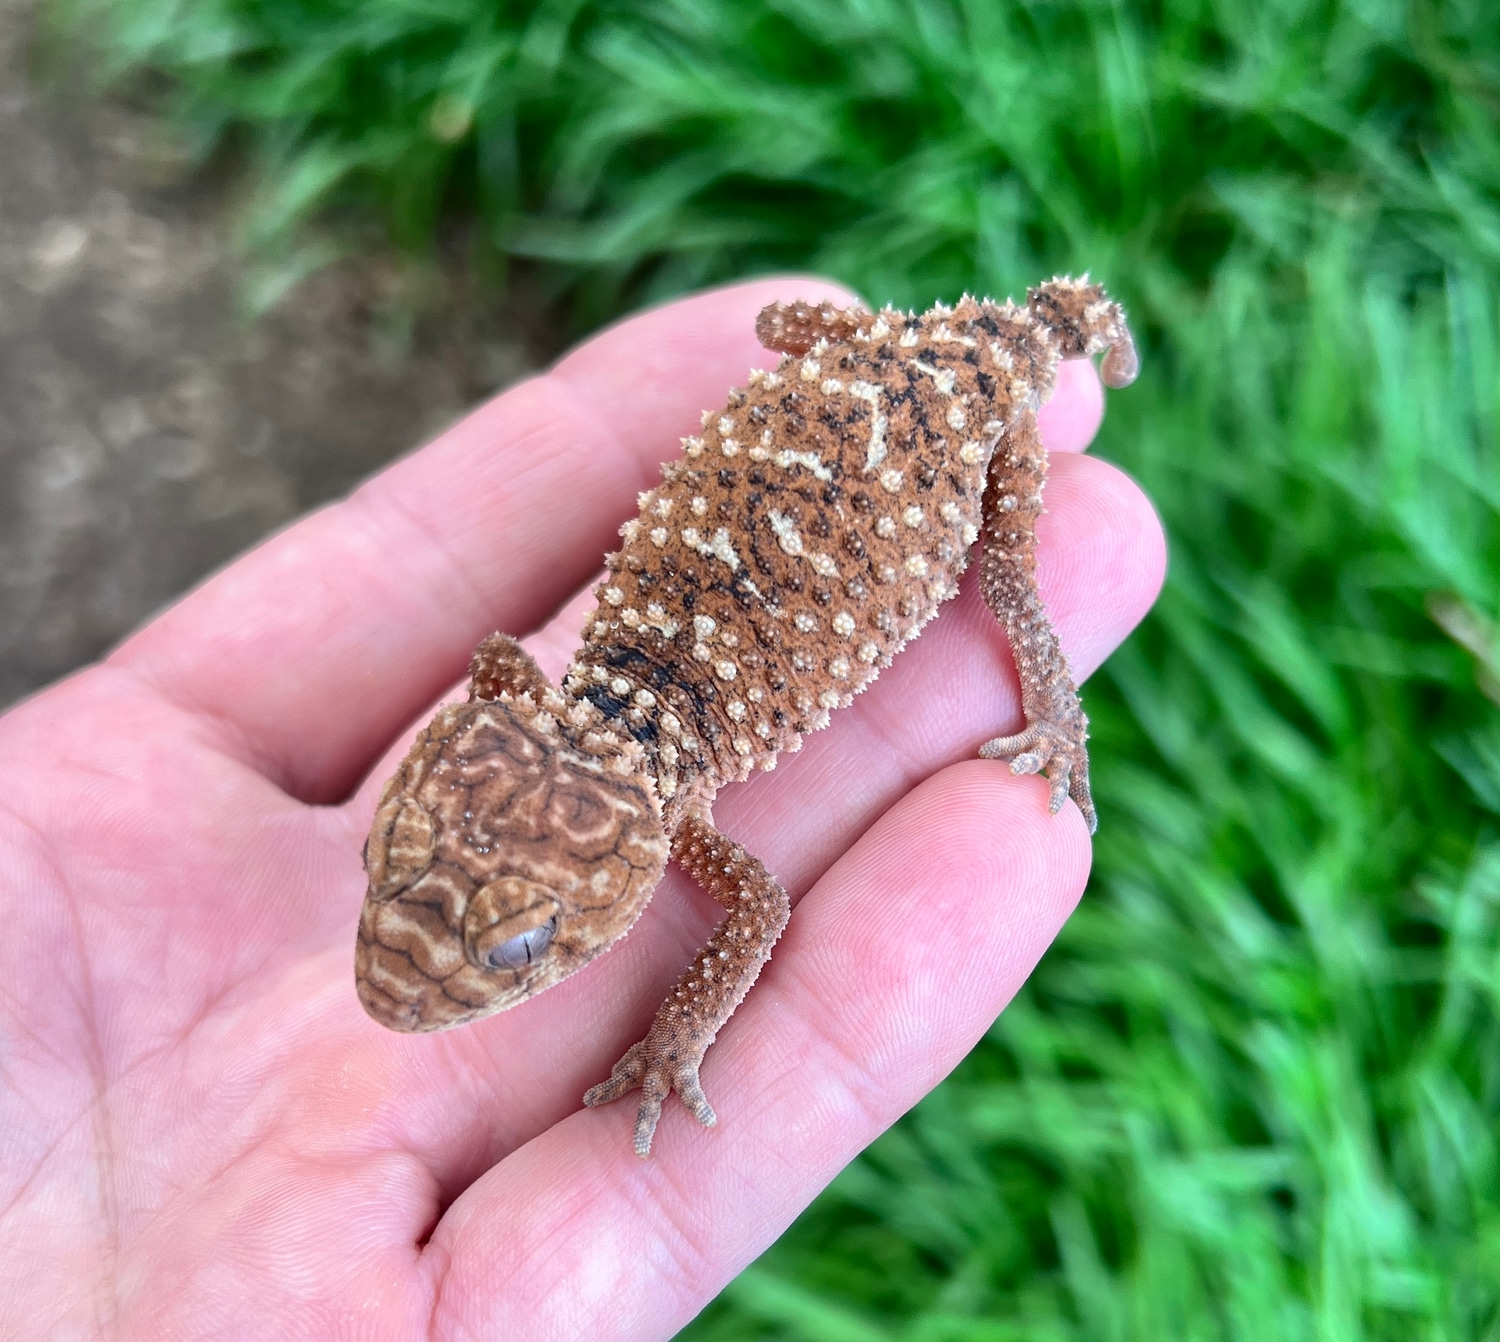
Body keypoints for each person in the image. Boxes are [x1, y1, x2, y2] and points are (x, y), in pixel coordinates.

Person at [0, 279, 1165, 1337]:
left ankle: (1065, 712)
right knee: (784, 331)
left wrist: (676, 1035)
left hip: (965, 417)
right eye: (404, 869)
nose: (410, 971)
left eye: (513, 945)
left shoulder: (658, 808)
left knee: (1009, 576)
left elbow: (754, 904)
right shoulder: (527, 709)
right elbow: (510, 672)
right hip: (858, 365)